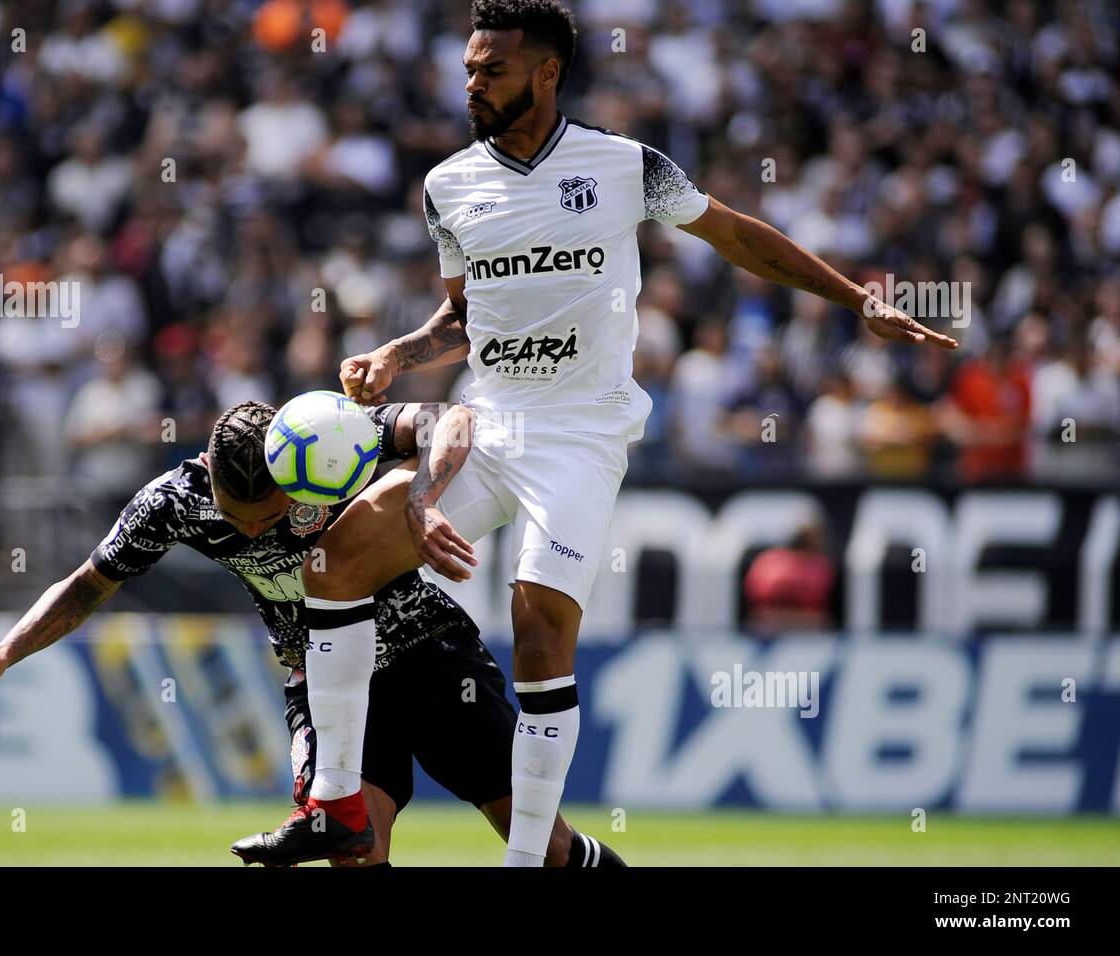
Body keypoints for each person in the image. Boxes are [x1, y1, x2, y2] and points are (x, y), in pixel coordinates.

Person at [246, 0, 958, 867]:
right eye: (468, 67)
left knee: (538, 625)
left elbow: (734, 234)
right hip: (486, 420)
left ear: (546, 74)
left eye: (492, 69)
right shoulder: (448, 184)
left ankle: (527, 861)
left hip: (580, 433)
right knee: (334, 561)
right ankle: (336, 806)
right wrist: (401, 350)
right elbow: (464, 319)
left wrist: (858, 300)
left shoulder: (626, 166)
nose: (472, 82)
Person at [0, 399, 624, 868]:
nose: (258, 528)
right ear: (209, 478)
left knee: (547, 847)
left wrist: (423, 496)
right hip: (325, 678)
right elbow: (88, 583)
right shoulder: (171, 506)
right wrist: (4, 652)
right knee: (353, 848)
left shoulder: (324, 436)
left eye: (274, 508)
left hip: (431, 656)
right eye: (242, 516)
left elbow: (453, 418)